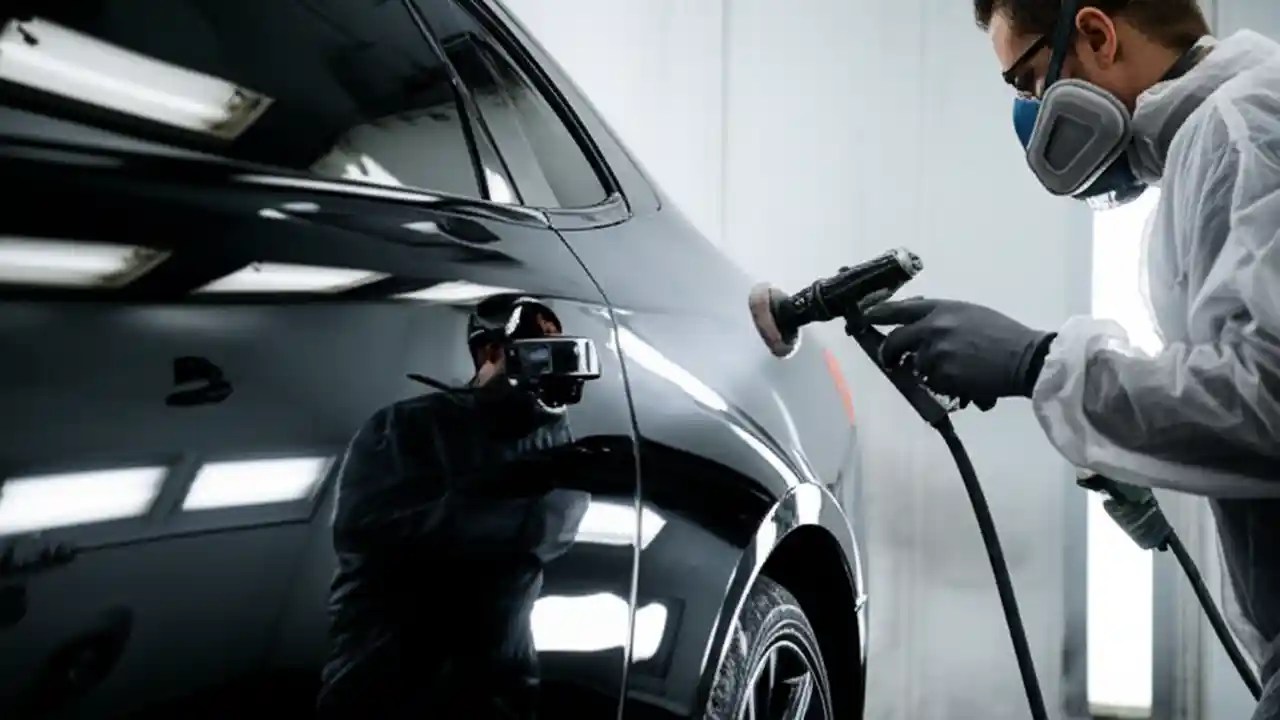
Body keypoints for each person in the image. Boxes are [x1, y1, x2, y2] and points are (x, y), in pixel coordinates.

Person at [862, 1, 1280, 716]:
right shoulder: (1212, 138)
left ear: (1094, 34)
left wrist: (1039, 363)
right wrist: (1145, 447)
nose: (1031, 113)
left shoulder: (1241, 134)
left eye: (1028, 84)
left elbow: (1267, 403)